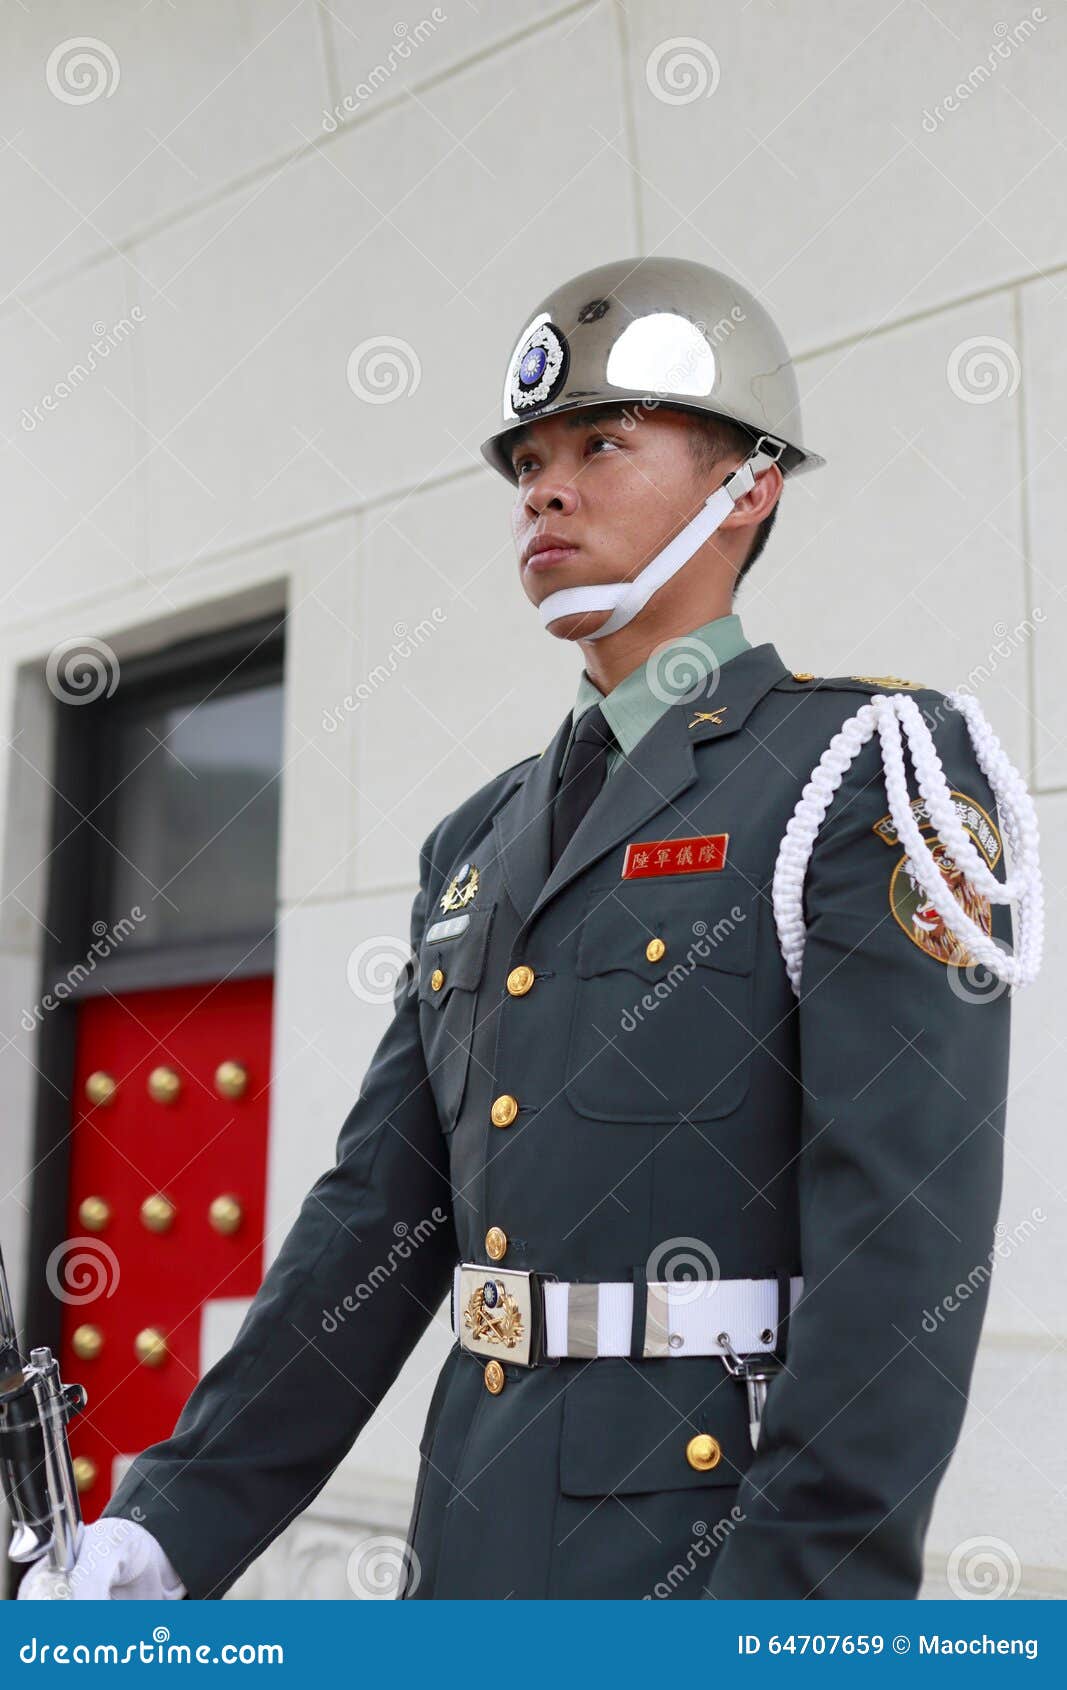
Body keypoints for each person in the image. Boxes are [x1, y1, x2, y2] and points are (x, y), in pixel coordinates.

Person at [19, 256, 1042, 1602]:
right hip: (472, 1530)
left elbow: (904, 1247)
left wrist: (789, 1617)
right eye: (529, 462)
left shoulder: (864, 769)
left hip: (703, 1557)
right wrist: (167, 1523)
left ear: (749, 487)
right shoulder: (478, 843)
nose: (546, 489)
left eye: (602, 444)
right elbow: (371, 1225)